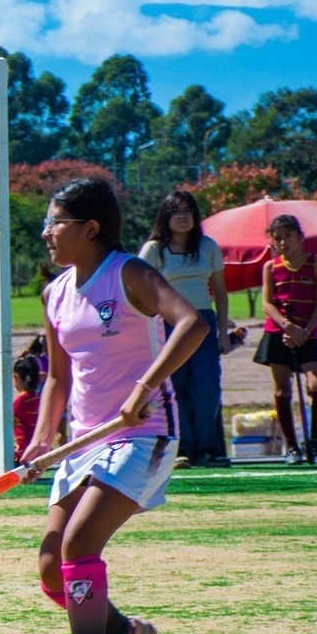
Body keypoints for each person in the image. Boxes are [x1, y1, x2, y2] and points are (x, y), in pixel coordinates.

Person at [22, 178, 207, 634]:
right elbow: (57, 378)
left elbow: (191, 324)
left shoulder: (129, 274)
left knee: (80, 547)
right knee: (52, 565)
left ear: (90, 228)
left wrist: (144, 388)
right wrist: (40, 443)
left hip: (142, 434)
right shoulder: (54, 292)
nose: (46, 233)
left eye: (55, 222)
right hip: (84, 441)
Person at [138, 190, 232, 466]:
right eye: (175, 211)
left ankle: (208, 448)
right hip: (167, 324)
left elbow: (221, 291)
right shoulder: (153, 249)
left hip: (204, 321)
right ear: (164, 217)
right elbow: (140, 292)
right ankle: (181, 448)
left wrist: (223, 333)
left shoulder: (208, 246)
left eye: (187, 211)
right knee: (175, 387)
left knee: (207, 387)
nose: (182, 217)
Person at [255, 214, 317, 465]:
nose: (283, 242)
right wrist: (287, 326)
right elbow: (267, 304)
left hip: (307, 333)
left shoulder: (315, 264)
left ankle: (316, 442)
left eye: (288, 236)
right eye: (277, 238)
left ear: (300, 237)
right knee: (282, 389)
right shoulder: (270, 266)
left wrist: (304, 332)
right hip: (278, 333)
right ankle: (292, 447)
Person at [12, 356, 42, 459]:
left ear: (16, 378)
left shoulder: (21, 401)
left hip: (22, 453)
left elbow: (10, 426)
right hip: (38, 450)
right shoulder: (39, 398)